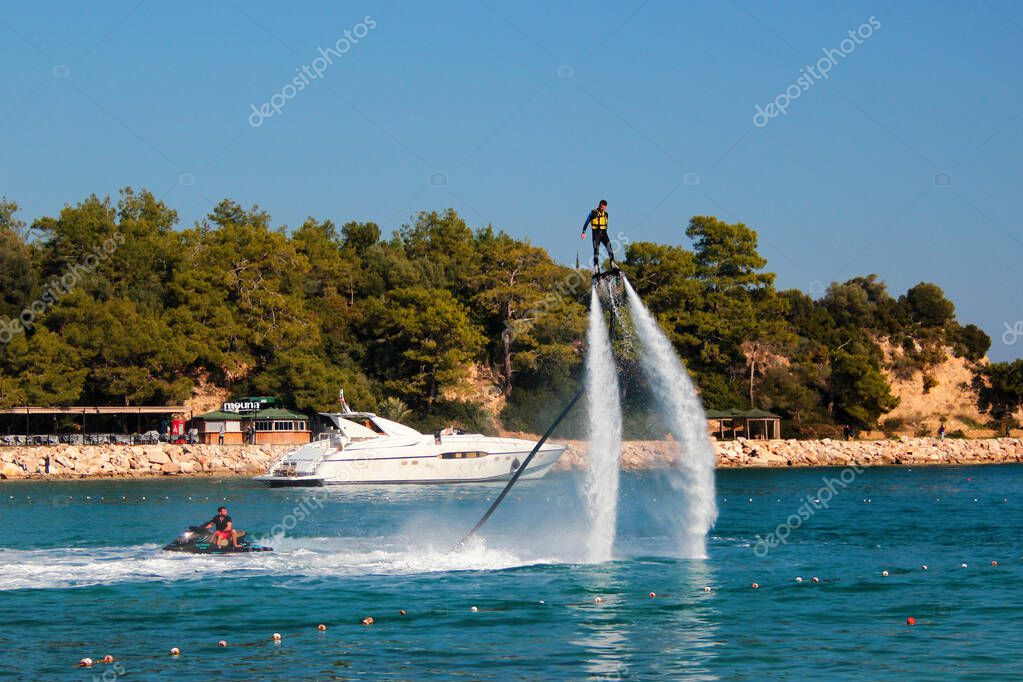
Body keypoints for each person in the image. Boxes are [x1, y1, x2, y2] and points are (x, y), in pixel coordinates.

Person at [581, 199, 616, 273]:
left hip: (604, 234)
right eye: (602, 207)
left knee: (610, 248)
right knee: (596, 251)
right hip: (596, 234)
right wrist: (583, 232)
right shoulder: (593, 212)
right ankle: (596, 266)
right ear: (599, 205)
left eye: (604, 207)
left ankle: (612, 263)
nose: (603, 208)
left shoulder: (606, 214)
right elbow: (587, 221)